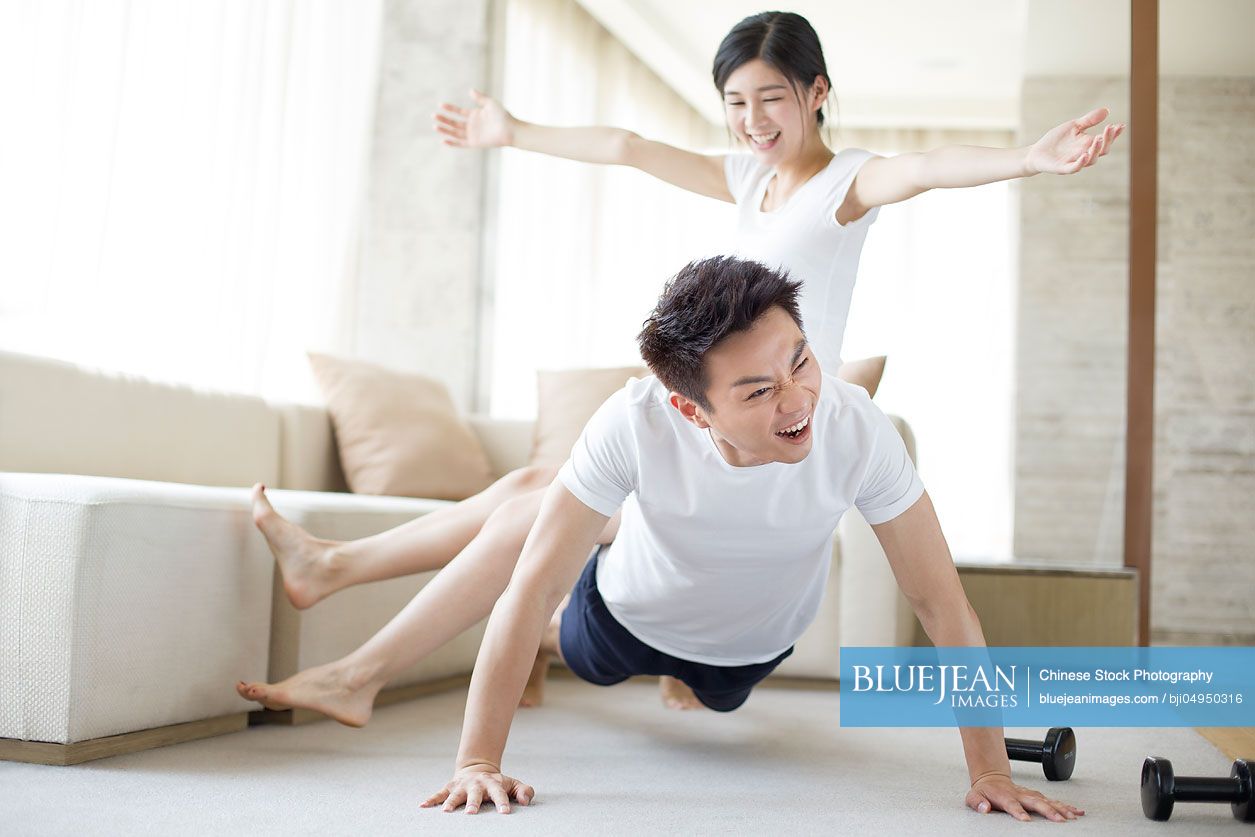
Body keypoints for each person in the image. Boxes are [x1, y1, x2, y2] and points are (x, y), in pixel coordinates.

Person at [250, 9, 1123, 709]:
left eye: (771, 99)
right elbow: (628, 148)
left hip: (774, 433)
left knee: (533, 506)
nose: (752, 123)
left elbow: (926, 167)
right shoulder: (749, 178)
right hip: (729, 422)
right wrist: (512, 132)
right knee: (528, 494)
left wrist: (1026, 160)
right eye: (735, 104)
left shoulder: (847, 179)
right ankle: (343, 594)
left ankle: (351, 635)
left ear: (817, 92)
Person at [401, 256, 1084, 819]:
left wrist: (990, 768)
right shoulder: (630, 422)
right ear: (690, 409)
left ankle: (677, 670)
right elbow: (530, 585)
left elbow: (940, 602)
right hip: (624, 613)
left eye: (802, 362)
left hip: (749, 647)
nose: (797, 400)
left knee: (720, 700)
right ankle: (557, 640)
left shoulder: (855, 428)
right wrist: (477, 761)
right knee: (582, 652)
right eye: (758, 392)